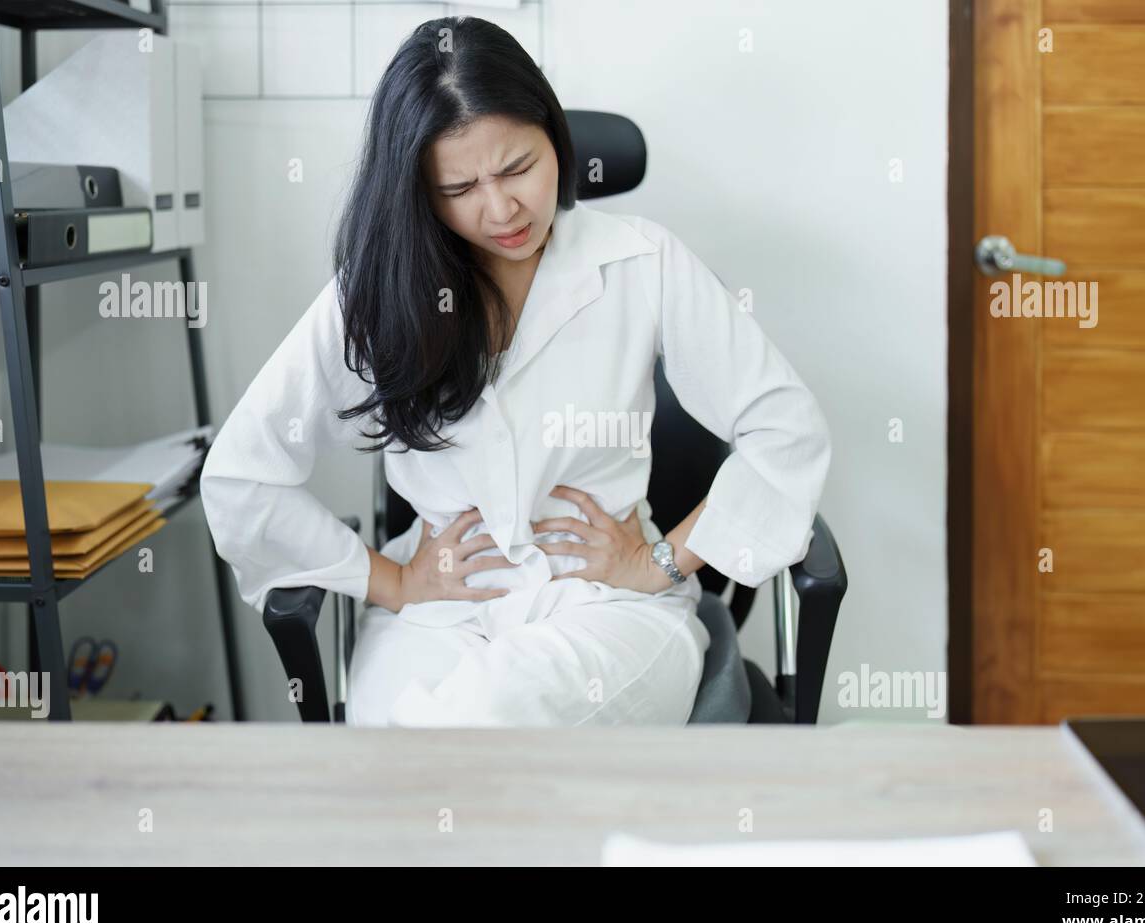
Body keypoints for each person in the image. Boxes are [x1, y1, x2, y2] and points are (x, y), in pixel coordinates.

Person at [199, 15, 831, 727]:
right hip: (442, 610)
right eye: (458, 187)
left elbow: (787, 430)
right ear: (416, 190)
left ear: (553, 136)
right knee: (392, 753)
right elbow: (240, 476)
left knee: (484, 718)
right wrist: (392, 580)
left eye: (517, 169)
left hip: (607, 607)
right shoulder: (380, 287)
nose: (500, 209)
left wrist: (660, 560)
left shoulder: (642, 260)